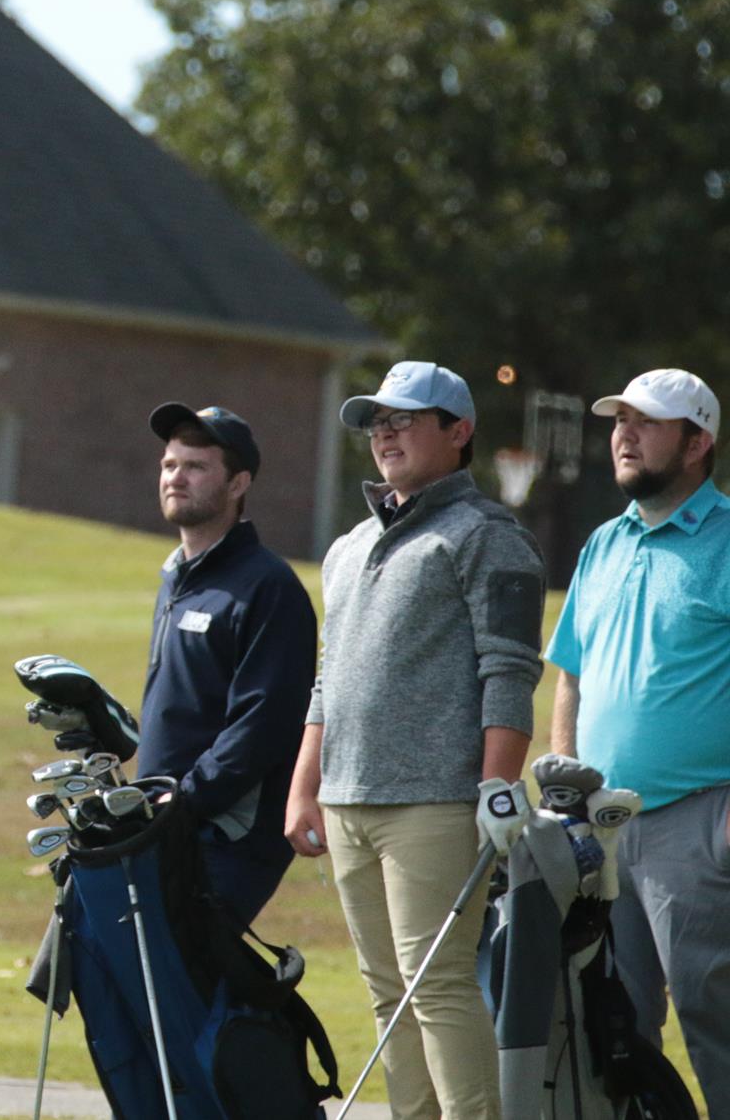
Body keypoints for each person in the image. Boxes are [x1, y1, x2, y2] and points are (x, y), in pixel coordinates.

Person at [284, 361, 544, 1120]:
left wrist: (497, 786)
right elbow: (328, 678)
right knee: (386, 989)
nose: (385, 430)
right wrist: (306, 784)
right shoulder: (347, 545)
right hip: (348, 797)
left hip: (436, 800)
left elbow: (509, 670)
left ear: (458, 432)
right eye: (376, 420)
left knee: (437, 984)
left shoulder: (489, 535)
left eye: (406, 416)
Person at [546, 367, 730, 1114]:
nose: (623, 434)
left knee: (712, 1015)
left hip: (698, 819)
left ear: (697, 442)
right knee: (611, 1021)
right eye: (619, 420)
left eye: (646, 422)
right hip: (600, 828)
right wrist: (566, 794)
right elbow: (571, 678)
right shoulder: (603, 543)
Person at [135, 402, 316, 927]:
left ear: (238, 484)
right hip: (167, 822)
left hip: (225, 833)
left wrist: (186, 799)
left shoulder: (267, 586)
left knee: (190, 984)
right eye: (170, 465)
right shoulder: (177, 576)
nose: (176, 478)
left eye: (195, 467)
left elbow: (265, 723)